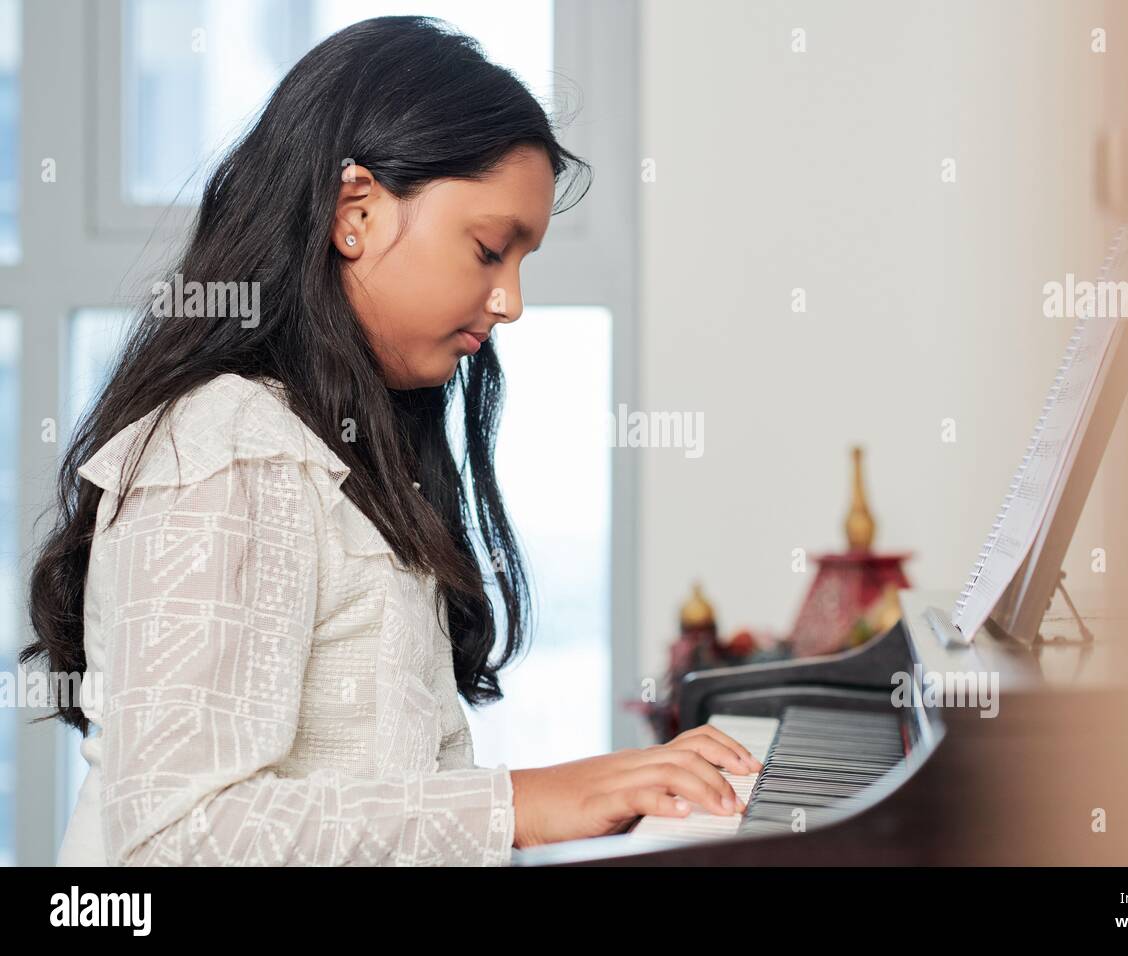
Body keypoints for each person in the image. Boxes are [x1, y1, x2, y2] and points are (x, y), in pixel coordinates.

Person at [24, 15, 759, 867]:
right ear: (356, 212)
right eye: (489, 250)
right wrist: (521, 805)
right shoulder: (223, 449)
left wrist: (575, 800)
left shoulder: (337, 451)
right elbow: (179, 838)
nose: (509, 301)